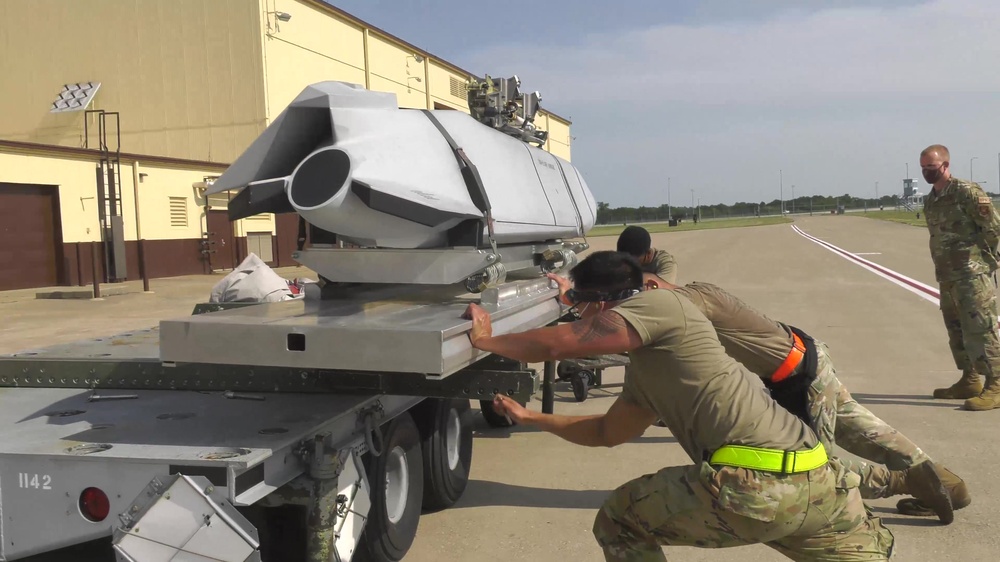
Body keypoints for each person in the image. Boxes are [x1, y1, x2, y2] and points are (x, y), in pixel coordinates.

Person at [465, 251, 895, 561]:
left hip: (758, 489)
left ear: (600, 301)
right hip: (818, 481)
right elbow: (605, 434)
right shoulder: (649, 372)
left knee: (619, 518)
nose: (575, 316)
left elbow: (569, 341)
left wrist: (486, 340)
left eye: (578, 306)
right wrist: (533, 417)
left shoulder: (660, 304)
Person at [648, 274, 966, 522]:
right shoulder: (699, 291)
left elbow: (662, 328)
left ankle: (905, 482)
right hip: (809, 362)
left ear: (651, 285)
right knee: (868, 433)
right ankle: (946, 484)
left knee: (815, 472)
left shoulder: (686, 299)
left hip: (799, 378)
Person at [920, 144, 1000, 410]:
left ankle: (996, 384)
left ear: (945, 165)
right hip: (948, 275)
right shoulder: (931, 199)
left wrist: (985, 261)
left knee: (981, 329)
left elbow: (993, 228)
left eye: (930, 168)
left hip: (972, 274)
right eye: (923, 168)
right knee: (956, 330)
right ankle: (970, 379)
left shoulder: (966, 192)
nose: (926, 173)